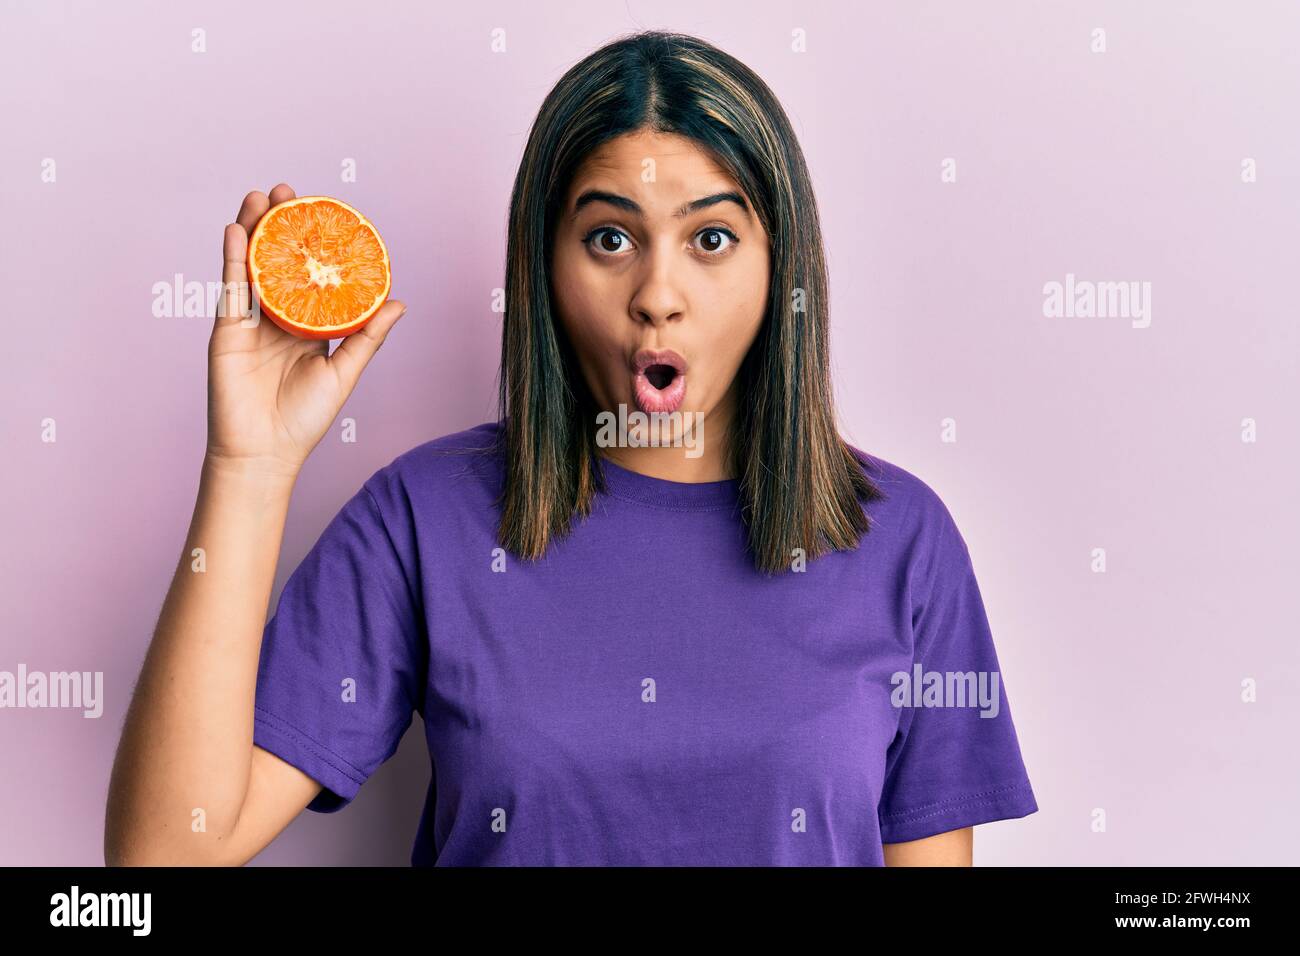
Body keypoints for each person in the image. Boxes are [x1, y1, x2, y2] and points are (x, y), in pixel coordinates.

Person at [105, 29, 1037, 867]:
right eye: (608, 238)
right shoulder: (424, 519)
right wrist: (249, 467)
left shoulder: (902, 539)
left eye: (711, 237)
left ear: (779, 264)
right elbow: (158, 861)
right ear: (543, 266)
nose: (657, 294)